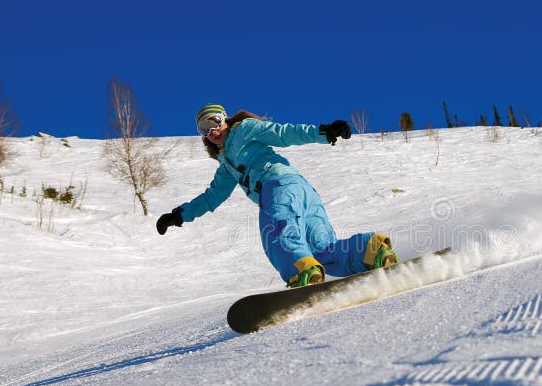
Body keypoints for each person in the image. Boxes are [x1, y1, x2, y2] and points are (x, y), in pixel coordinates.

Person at [156, 104, 398, 287]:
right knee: (323, 251)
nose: (212, 131)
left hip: (279, 188)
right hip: (305, 193)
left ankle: (301, 272)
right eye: (204, 129)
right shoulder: (226, 166)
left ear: (225, 119)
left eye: (214, 122)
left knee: (277, 233)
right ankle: (373, 250)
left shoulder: (244, 130)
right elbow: (211, 197)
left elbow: (282, 133)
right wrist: (179, 215)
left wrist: (323, 132)